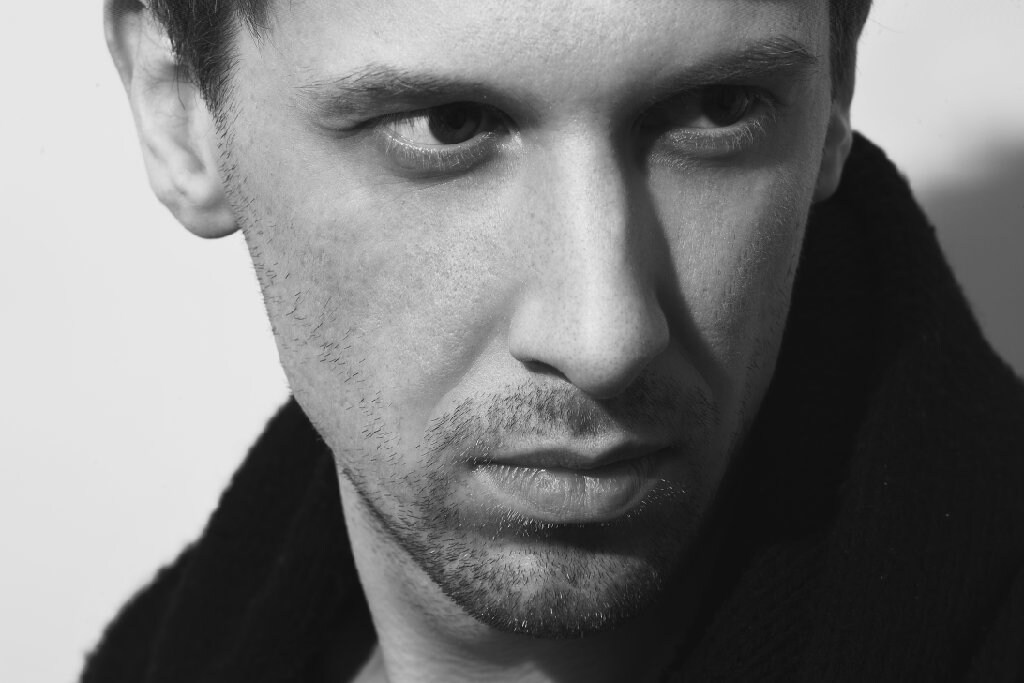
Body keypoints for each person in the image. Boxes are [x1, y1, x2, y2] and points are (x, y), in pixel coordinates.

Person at [86, 0, 1024, 681]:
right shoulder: (160, 650)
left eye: (717, 108)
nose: (605, 337)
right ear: (180, 112)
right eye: (448, 126)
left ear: (835, 92)